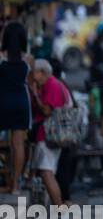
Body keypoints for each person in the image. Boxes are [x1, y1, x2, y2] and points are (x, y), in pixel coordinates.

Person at [28, 58, 71, 205]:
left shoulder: (51, 85)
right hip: (50, 135)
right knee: (47, 172)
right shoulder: (54, 84)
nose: (32, 77)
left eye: (33, 72)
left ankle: (59, 207)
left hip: (48, 135)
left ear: (42, 72)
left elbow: (46, 110)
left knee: (46, 173)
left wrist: (35, 95)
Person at [1, 22, 31, 194]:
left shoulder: (0, 58)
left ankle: (5, 178)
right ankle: (16, 185)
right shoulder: (28, 59)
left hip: (3, 102)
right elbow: (31, 82)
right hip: (21, 103)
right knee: (18, 145)